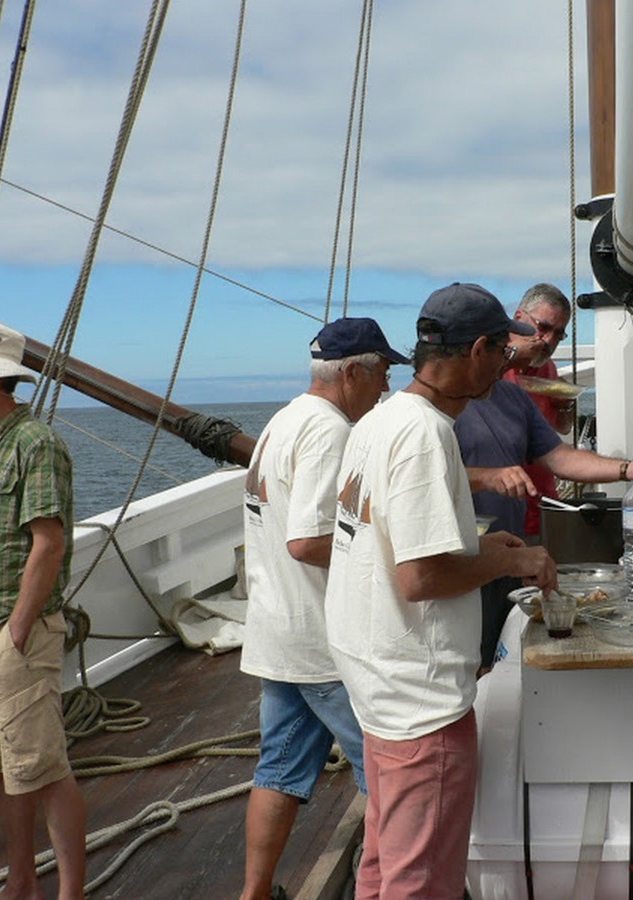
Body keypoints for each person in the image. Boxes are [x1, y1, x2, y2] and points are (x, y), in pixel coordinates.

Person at [324, 283, 558, 899]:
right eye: (504, 354)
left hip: (375, 682)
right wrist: (512, 564)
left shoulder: (380, 421)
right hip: (419, 700)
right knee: (421, 881)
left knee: (382, 863)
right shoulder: (428, 436)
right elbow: (421, 578)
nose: (510, 367)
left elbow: (391, 545)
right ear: (478, 350)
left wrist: (486, 551)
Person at [238, 317, 409, 900]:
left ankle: (255, 893)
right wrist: (394, 559)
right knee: (391, 774)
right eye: (382, 372)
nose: (385, 387)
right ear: (352, 372)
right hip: (323, 644)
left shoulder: (282, 420)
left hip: (279, 633)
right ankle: (387, 889)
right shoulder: (330, 431)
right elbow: (308, 541)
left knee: (279, 770)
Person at [456, 379, 633, 671]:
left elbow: (559, 457)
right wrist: (485, 477)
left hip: (507, 552)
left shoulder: (511, 396)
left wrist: (628, 469)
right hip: (456, 563)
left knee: (500, 661)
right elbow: (422, 477)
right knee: (467, 666)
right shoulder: (434, 406)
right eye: (498, 346)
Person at [0, 318, 87, 900]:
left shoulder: (35, 444)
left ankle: (70, 893)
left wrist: (18, 632)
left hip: (13, 632)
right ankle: (22, 881)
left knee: (45, 770)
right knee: (5, 766)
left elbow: (48, 542)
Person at [501, 283, 575, 536]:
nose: (549, 340)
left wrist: (566, 404)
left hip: (541, 508)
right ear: (519, 318)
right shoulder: (491, 366)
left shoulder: (547, 368)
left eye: (558, 334)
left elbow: (560, 427)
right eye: (543, 327)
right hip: (499, 513)